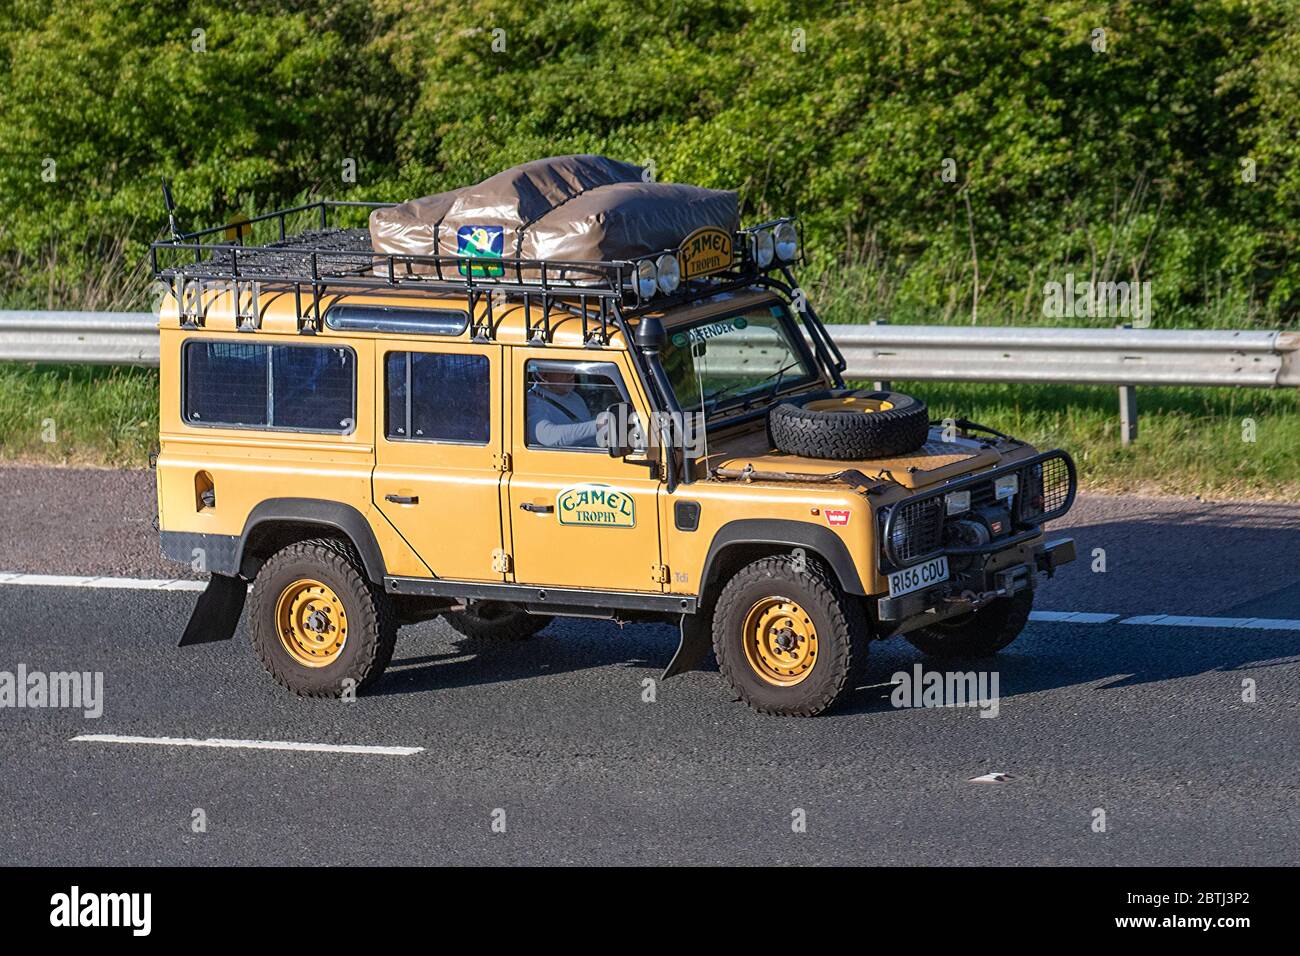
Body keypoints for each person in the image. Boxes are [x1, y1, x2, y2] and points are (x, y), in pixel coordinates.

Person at [527, 368, 604, 448]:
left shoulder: (574, 397)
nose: (571, 373)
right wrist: (597, 425)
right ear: (544, 375)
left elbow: (584, 429)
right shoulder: (532, 402)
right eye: (564, 369)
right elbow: (548, 437)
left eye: (571, 368)